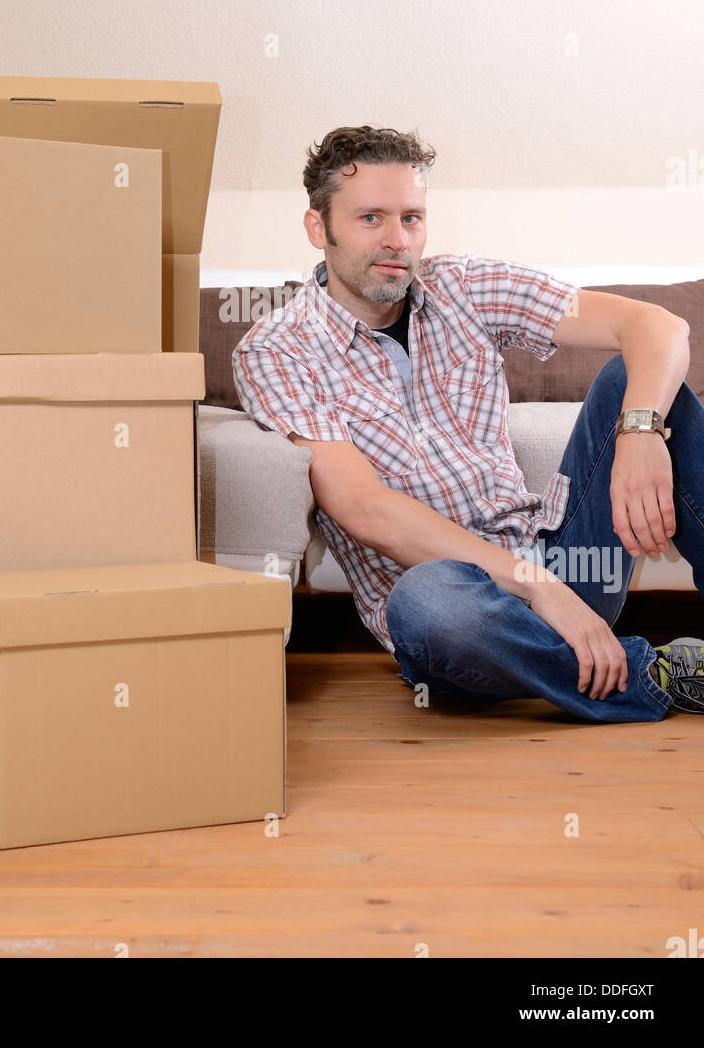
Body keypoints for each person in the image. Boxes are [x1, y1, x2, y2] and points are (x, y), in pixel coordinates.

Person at [232, 125, 704, 722]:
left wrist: (639, 433)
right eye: (370, 218)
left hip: (563, 561)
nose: (396, 240)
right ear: (316, 228)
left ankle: (565, 663)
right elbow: (364, 508)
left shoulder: (462, 286)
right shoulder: (276, 350)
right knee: (427, 602)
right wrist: (537, 587)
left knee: (633, 385)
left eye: (412, 218)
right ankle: (656, 675)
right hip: (463, 612)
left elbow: (657, 326)